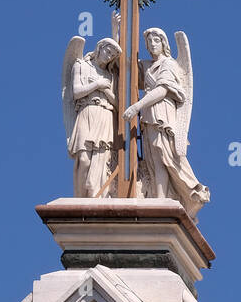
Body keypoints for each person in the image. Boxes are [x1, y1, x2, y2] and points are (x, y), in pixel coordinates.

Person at [123, 27, 209, 215]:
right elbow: (124, 67)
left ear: (164, 43)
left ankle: (191, 190)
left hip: (162, 113)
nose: (152, 45)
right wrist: (118, 31)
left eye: (156, 41)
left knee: (166, 155)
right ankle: (159, 196)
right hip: (148, 115)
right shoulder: (147, 66)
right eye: (149, 42)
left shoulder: (168, 64)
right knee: (154, 159)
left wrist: (137, 106)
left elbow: (162, 90)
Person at [68, 37, 121, 197]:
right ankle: (80, 197)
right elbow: (76, 92)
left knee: (101, 159)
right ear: (100, 48)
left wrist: (105, 90)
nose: (109, 56)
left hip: (105, 114)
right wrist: (97, 85)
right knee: (83, 159)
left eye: (112, 55)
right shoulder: (81, 66)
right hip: (87, 112)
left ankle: (94, 193)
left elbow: (118, 104)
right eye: (108, 51)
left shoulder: (111, 76)